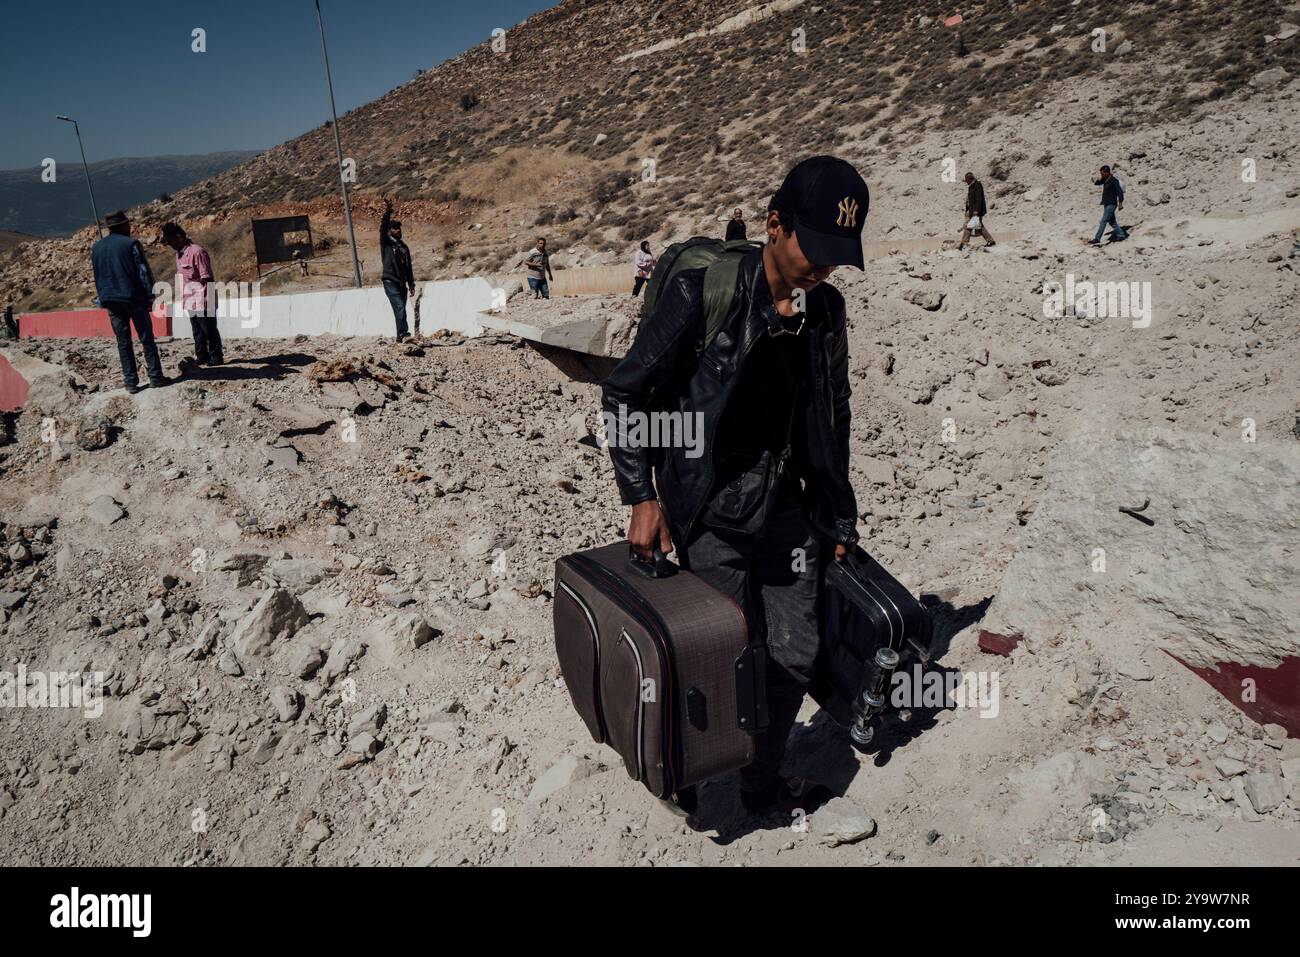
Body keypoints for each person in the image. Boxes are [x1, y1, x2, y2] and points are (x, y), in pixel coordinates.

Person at [602, 155, 869, 816]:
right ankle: (686, 768)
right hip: (709, 503)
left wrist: (839, 517)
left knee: (795, 649)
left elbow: (833, 418)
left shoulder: (825, 313)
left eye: (839, 256)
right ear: (776, 224)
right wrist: (641, 494)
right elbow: (627, 391)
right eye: (817, 249)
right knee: (723, 654)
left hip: (785, 504)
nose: (825, 269)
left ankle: (760, 780)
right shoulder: (706, 291)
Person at [91, 210, 167, 394]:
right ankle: (155, 377)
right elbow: (143, 272)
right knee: (146, 338)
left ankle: (131, 381)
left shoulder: (97, 248)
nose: (129, 227)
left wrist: (103, 298)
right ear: (122, 226)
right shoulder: (131, 243)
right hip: (133, 297)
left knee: (123, 341)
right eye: (127, 224)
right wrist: (150, 296)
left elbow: (97, 274)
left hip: (110, 299)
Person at [161, 222, 222, 366]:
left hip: (203, 298)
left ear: (179, 237)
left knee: (209, 329)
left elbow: (207, 277)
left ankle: (216, 357)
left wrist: (208, 297)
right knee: (197, 331)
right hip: (190, 299)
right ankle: (202, 356)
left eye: (171, 241)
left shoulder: (197, 252)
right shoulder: (179, 255)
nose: (170, 244)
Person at [380, 198, 416, 341]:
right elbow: (382, 228)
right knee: (400, 307)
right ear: (390, 231)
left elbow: (409, 267)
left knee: (400, 310)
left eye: (399, 228)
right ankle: (404, 334)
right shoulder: (386, 244)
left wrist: (411, 284)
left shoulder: (404, 247)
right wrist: (388, 211)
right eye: (395, 228)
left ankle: (399, 337)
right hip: (390, 280)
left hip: (402, 283)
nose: (398, 230)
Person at [1089, 165, 1128, 245]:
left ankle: (1097, 238)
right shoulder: (1106, 179)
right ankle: (1121, 234)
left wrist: (1120, 203)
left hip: (1111, 204)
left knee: (1103, 221)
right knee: (1112, 222)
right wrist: (1095, 181)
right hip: (1107, 204)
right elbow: (1099, 182)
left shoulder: (1113, 181)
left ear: (1107, 173)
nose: (1101, 175)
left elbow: (1120, 192)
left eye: (1102, 173)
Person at [959, 172, 995, 249]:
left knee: (968, 226)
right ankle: (990, 241)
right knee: (978, 227)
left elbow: (979, 199)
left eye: (967, 180)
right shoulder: (971, 186)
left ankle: (964, 243)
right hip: (970, 210)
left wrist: (976, 211)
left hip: (975, 211)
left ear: (970, 178)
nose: (966, 181)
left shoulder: (977, 185)